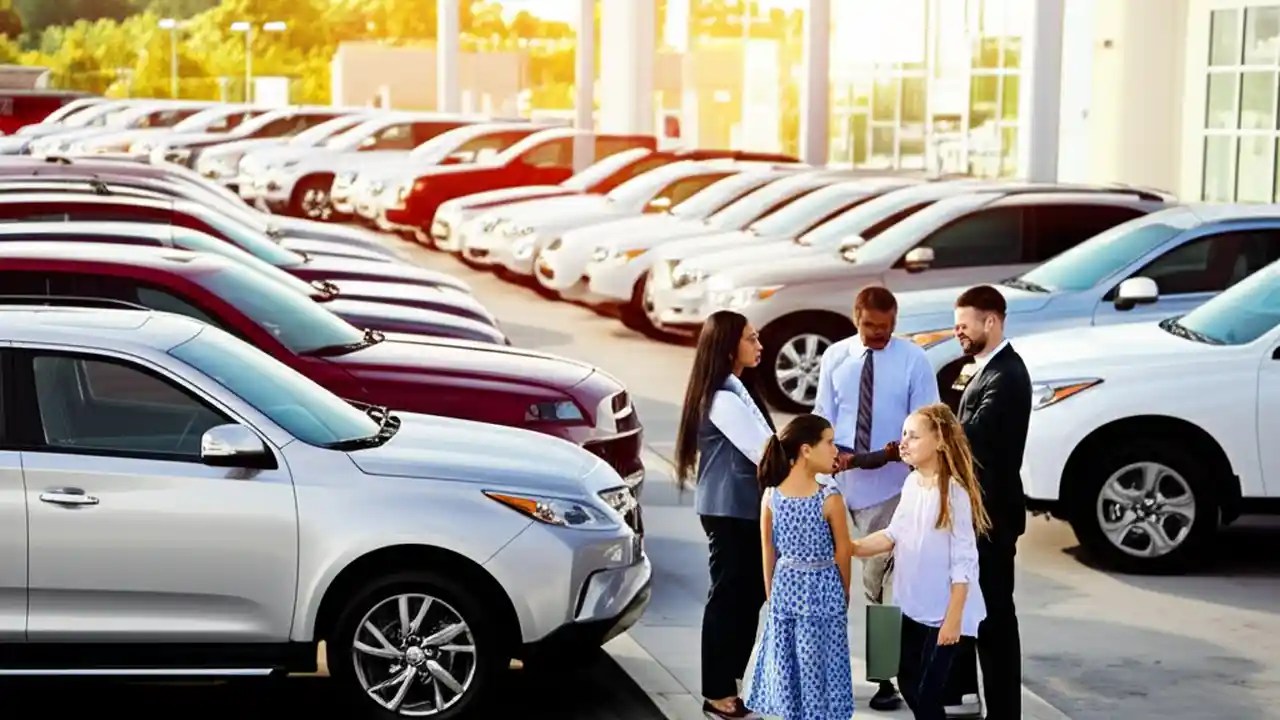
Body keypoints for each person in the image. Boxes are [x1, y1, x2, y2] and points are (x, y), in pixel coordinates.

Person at [813, 285, 939, 710]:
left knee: (880, 587)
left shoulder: (913, 361)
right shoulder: (835, 357)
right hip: (835, 489)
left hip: (888, 489)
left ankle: (885, 678)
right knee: (828, 582)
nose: (878, 335)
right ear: (856, 318)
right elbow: (823, 417)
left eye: (886, 328)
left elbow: (927, 428)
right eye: (870, 327)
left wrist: (884, 459)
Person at [852, 403, 991, 720]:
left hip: (944, 613)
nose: (903, 443)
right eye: (903, 435)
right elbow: (892, 534)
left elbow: (964, 560)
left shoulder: (953, 492)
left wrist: (953, 619)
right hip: (914, 606)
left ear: (939, 440)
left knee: (928, 694)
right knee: (908, 681)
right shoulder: (913, 483)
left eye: (913, 436)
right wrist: (850, 547)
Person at [674, 309, 775, 720]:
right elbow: (763, 451)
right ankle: (717, 692)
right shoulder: (721, 397)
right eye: (751, 339)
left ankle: (730, 685)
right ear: (729, 345)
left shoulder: (739, 388)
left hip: (744, 511)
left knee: (749, 596)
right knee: (729, 599)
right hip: (729, 511)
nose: (760, 346)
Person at [942, 285, 1032, 720]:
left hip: (993, 516)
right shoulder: (976, 368)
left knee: (995, 617)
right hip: (973, 513)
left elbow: (972, 436)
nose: (957, 332)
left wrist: (927, 436)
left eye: (964, 325)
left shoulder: (1007, 376)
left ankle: (1004, 711)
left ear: (990, 322)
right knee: (969, 607)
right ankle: (963, 693)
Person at [745, 413, 854, 720]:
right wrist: (844, 592)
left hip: (786, 593)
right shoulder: (829, 498)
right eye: (829, 442)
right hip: (823, 593)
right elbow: (842, 551)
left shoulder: (771, 497)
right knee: (821, 671)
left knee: (790, 672)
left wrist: (772, 593)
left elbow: (769, 550)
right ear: (806, 450)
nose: (835, 450)